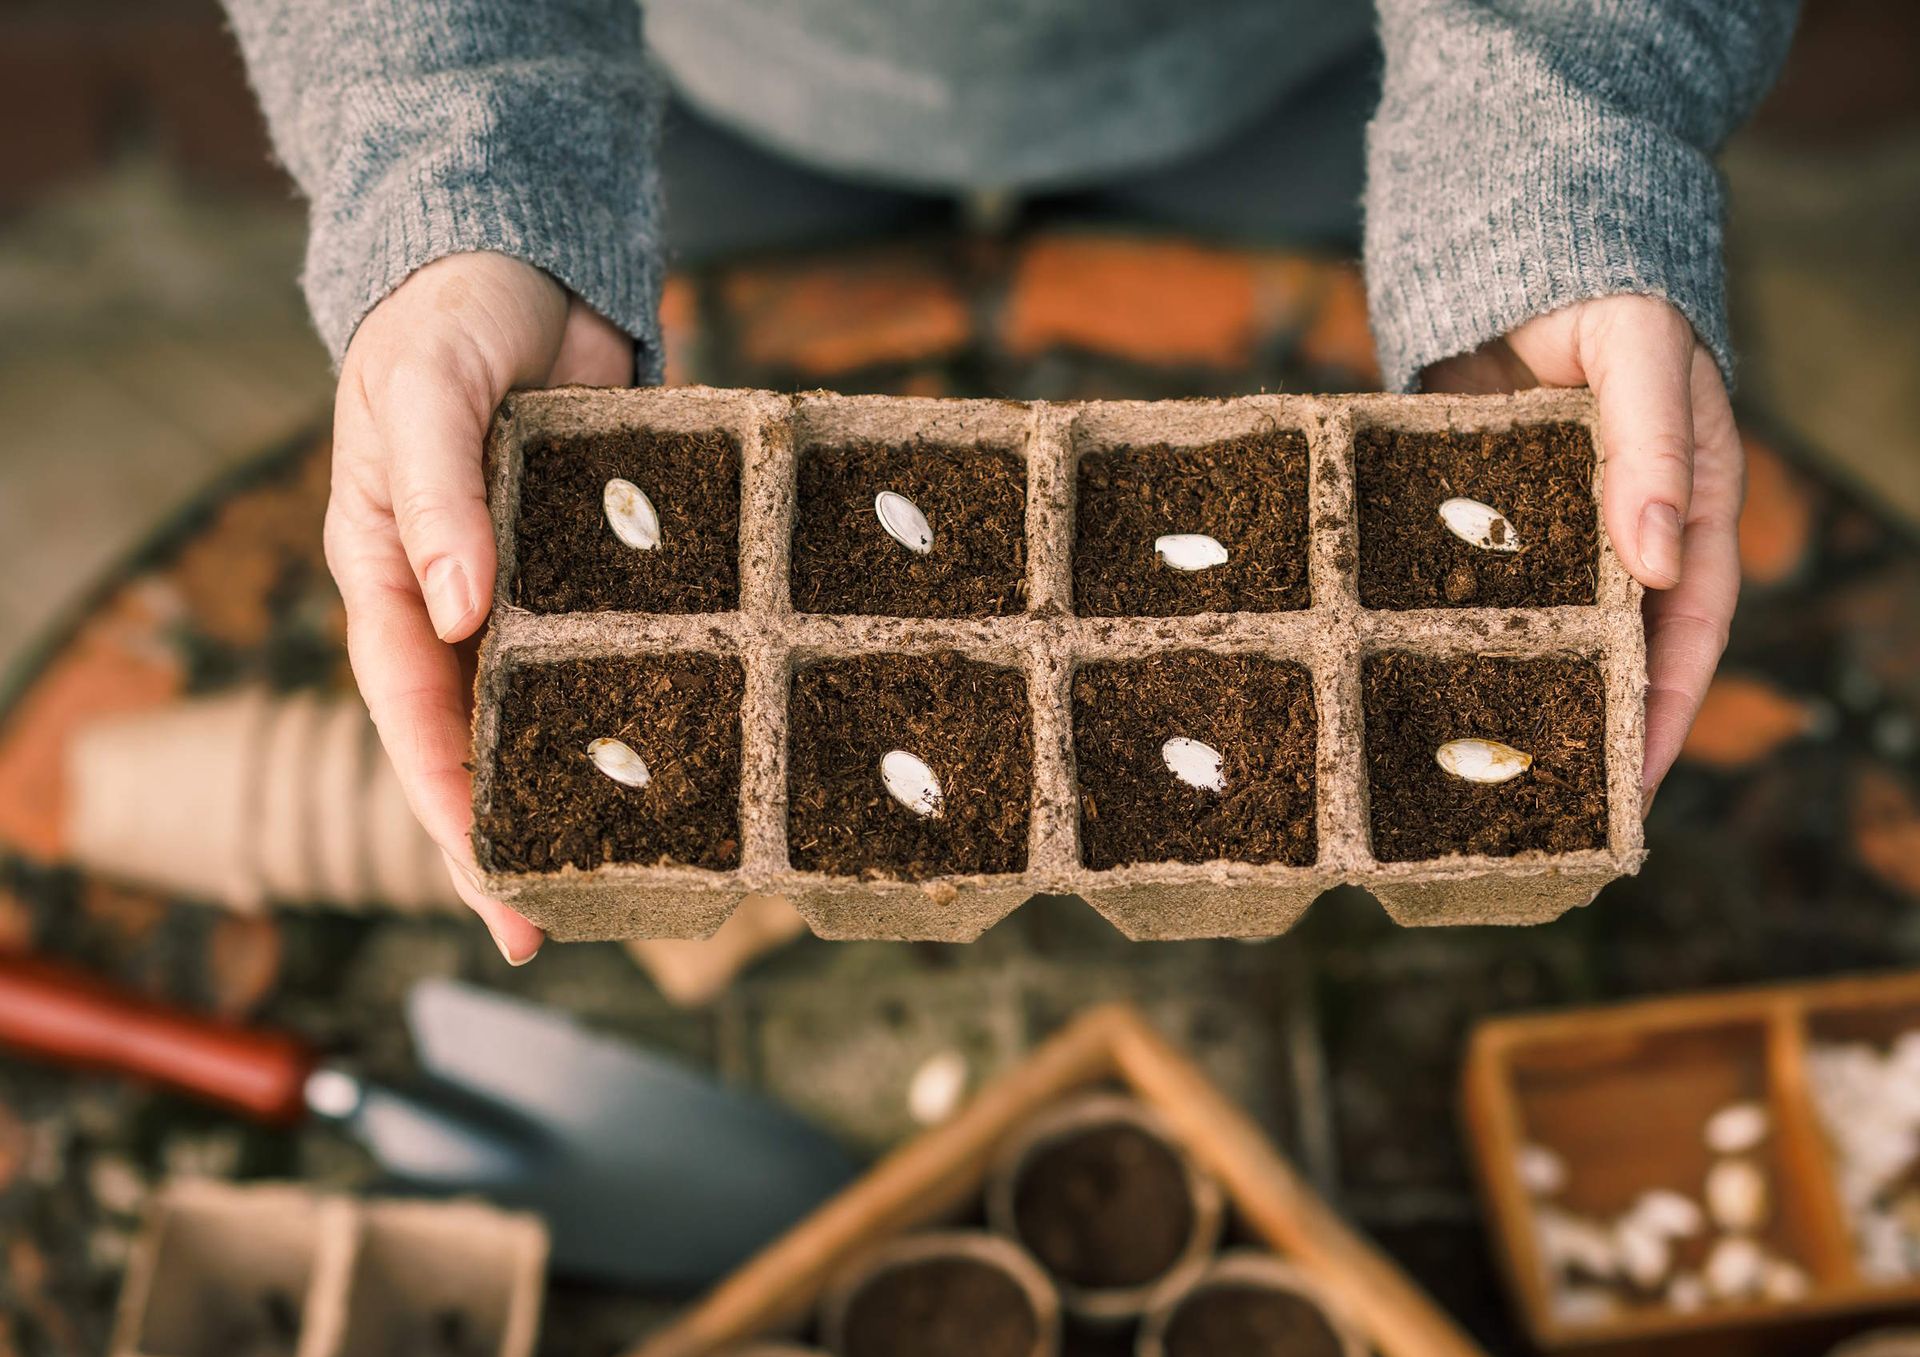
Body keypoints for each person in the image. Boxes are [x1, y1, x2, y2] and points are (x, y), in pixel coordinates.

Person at [222, 0, 1799, 965]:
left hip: (1326, 68)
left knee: (1507, 392)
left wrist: (1558, 159)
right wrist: (454, 168)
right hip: (702, 72)